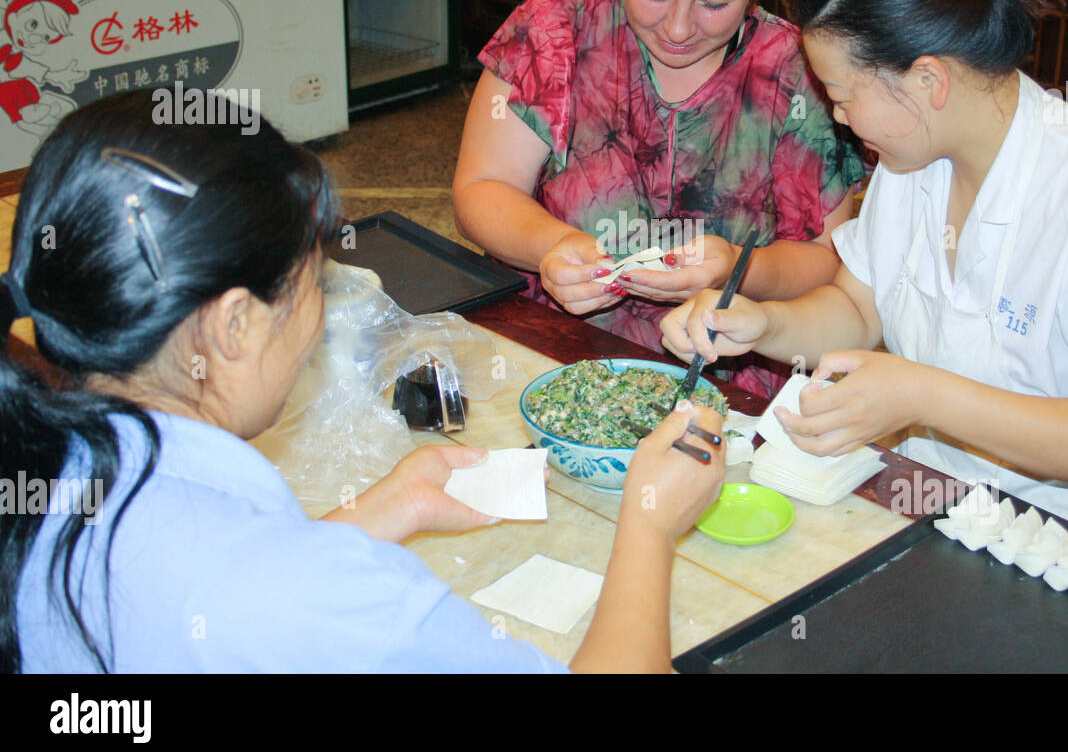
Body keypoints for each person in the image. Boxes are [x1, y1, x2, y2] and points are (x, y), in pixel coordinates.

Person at [1, 91, 724, 673]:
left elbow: (218, 574)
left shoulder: (40, 469)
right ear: (233, 327)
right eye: (313, 278)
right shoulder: (327, 603)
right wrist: (650, 523)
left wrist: (377, 513)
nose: (321, 305)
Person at [662, 0, 1068, 563]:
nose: (839, 116)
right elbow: (859, 310)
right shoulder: (914, 159)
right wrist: (763, 325)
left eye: (842, 95)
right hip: (935, 504)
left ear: (927, 82)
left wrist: (921, 393)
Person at [452, 0, 865, 398]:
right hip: (556, 351)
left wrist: (736, 269)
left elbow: (830, 261)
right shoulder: (555, 28)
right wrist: (549, 245)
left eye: (714, 4)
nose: (677, 29)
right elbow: (483, 186)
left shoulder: (796, 72)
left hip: (726, 381)